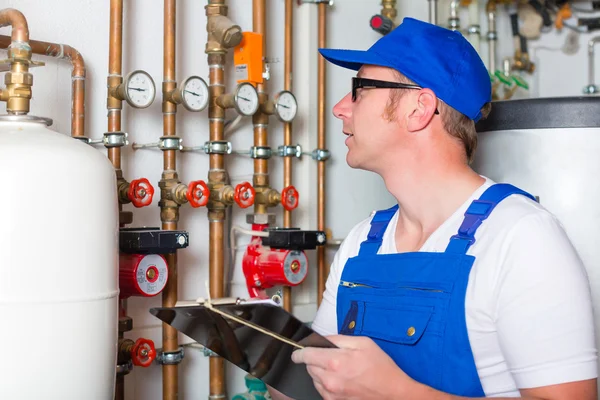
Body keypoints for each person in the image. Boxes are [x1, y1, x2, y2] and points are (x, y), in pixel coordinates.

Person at [270, 17, 598, 400]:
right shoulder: (362, 243)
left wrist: (396, 392)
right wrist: (265, 354)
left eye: (359, 90)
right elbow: (310, 386)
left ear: (419, 108)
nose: (340, 108)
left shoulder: (521, 238)